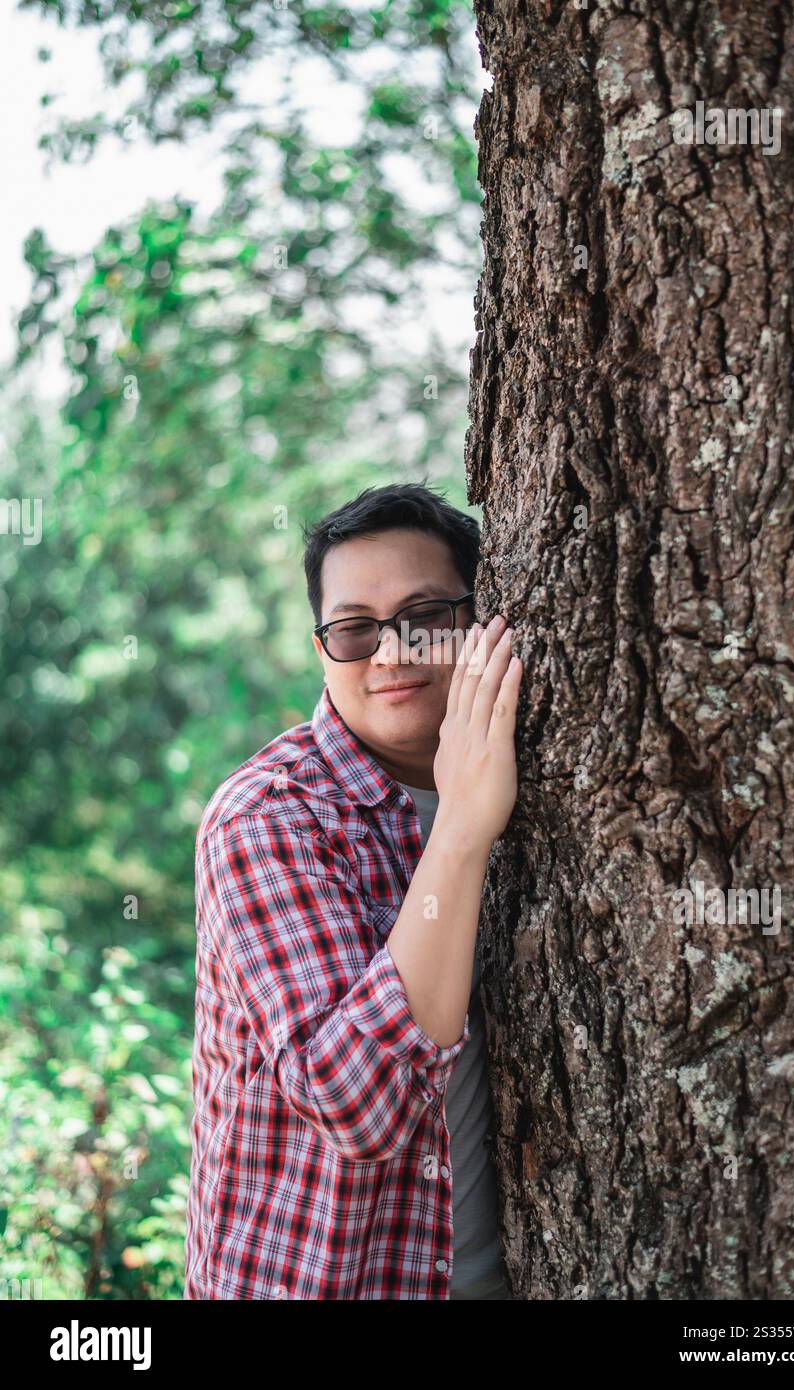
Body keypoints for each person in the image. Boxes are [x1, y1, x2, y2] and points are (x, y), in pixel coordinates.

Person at [184, 483, 522, 1299]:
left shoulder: (544, 772)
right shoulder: (267, 818)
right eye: (354, 628)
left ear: (480, 620)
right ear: (323, 647)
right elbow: (353, 1106)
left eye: (425, 614)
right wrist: (465, 826)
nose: (391, 651)